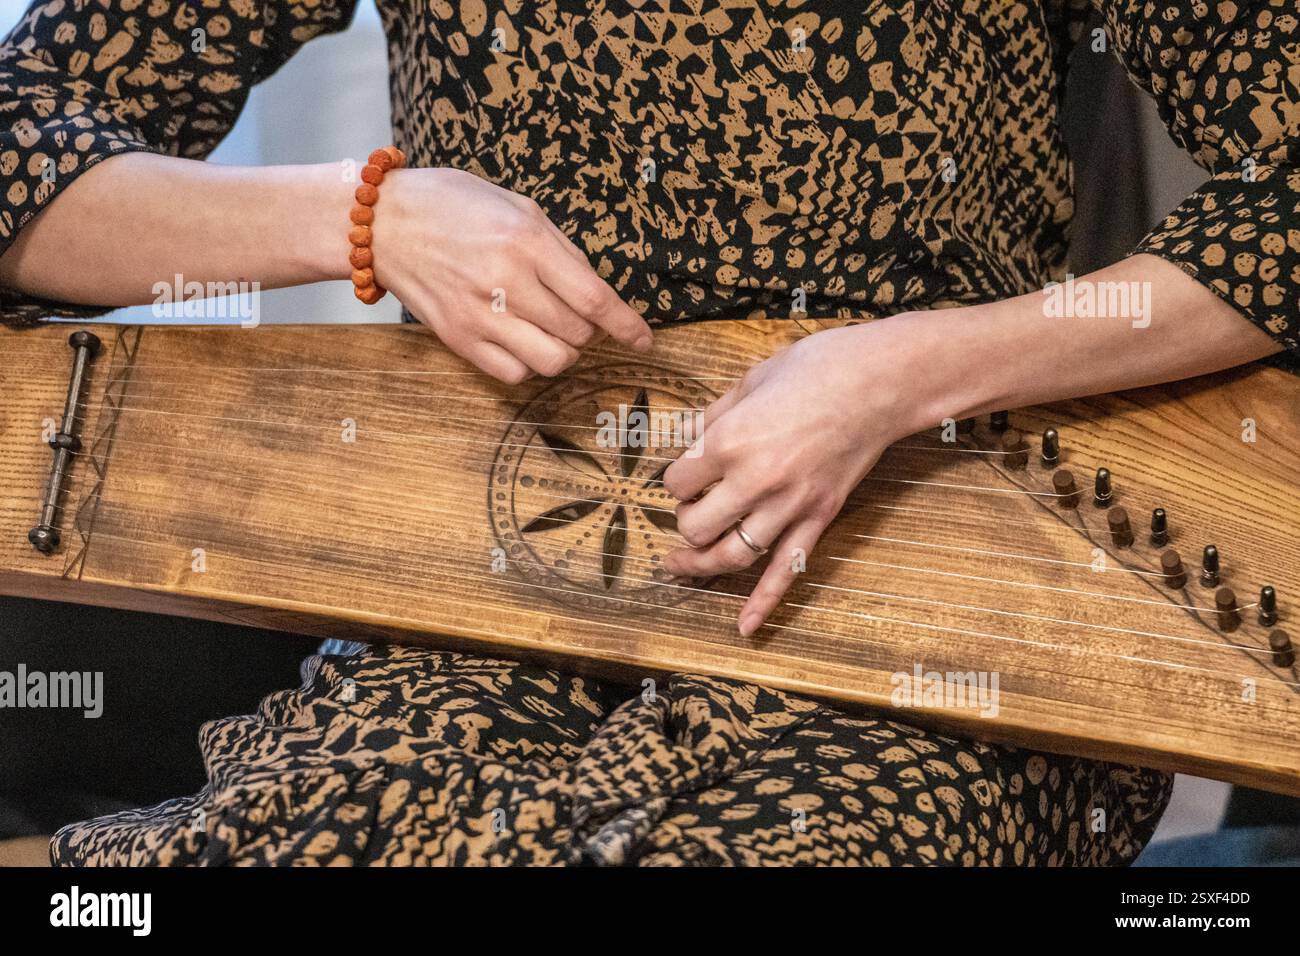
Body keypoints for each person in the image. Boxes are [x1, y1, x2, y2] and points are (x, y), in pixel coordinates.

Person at [1, 0, 1293, 866]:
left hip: (927, 592)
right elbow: (23, 144)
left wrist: (910, 367)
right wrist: (369, 215)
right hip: (497, 590)